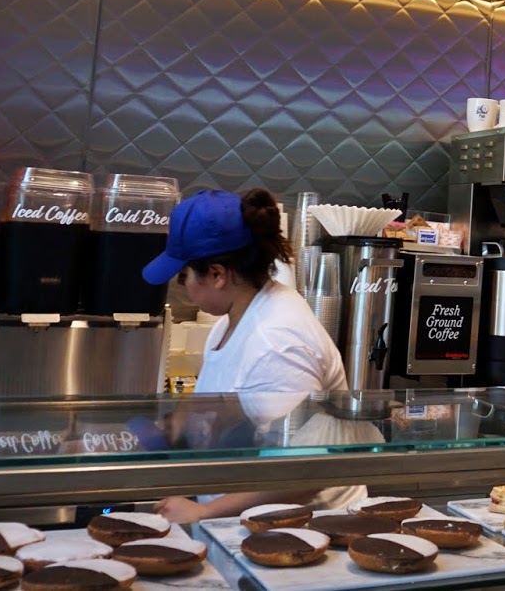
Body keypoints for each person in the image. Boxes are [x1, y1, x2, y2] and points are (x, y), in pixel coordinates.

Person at [141, 188, 351, 522]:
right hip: (247, 521)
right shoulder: (230, 322)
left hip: (305, 530)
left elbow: (304, 472)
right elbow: (205, 412)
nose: (181, 287)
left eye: (183, 277)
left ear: (217, 274)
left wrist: (204, 510)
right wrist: (132, 439)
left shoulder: (277, 343)